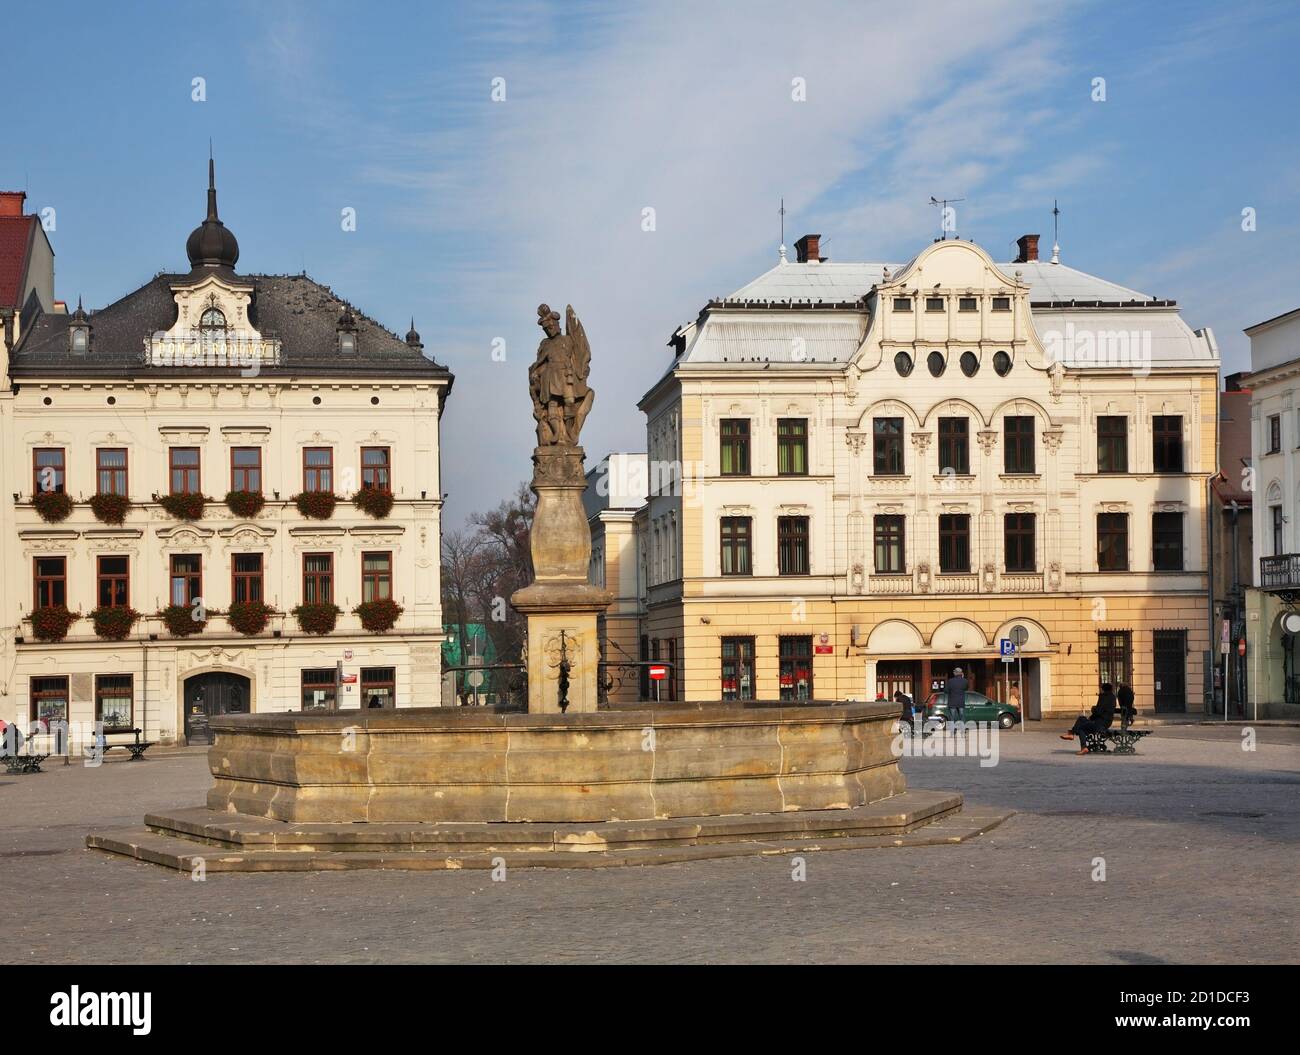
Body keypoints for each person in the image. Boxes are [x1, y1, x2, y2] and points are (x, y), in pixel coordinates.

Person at [1061, 682, 1117, 754]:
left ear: (1103, 689)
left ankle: (1083, 747)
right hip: (1105, 722)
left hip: (1100, 723)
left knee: (1081, 728)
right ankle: (1071, 733)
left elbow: (1098, 711)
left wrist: (1093, 710)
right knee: (1081, 718)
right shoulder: (1112, 697)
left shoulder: (1103, 697)